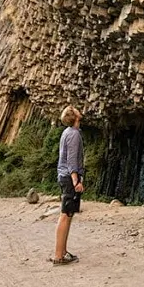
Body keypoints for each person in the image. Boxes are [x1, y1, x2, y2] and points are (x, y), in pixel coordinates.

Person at [53, 104, 85, 265]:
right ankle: (58, 256)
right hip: (68, 178)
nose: (80, 110)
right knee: (65, 215)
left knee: (68, 214)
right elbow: (72, 159)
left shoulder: (68, 132)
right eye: (76, 109)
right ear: (75, 116)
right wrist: (76, 181)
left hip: (64, 176)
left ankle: (63, 252)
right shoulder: (73, 134)